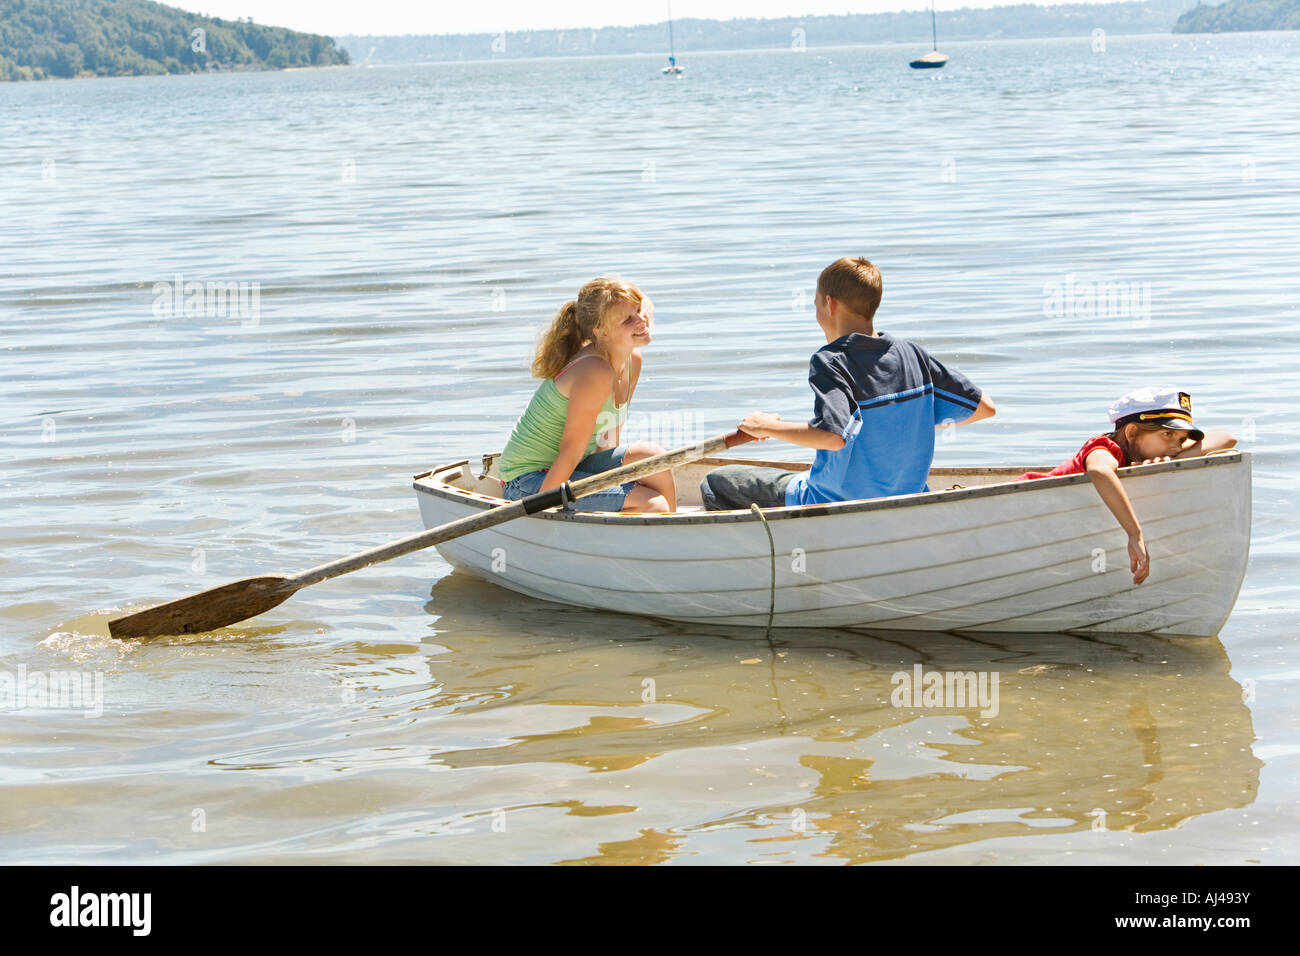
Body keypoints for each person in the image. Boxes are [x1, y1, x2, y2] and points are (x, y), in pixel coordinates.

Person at [700, 256, 995, 511]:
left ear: (830, 304)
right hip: (909, 497)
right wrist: (902, 424)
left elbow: (832, 436)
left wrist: (765, 426)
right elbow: (983, 408)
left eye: (816, 304)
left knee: (714, 483)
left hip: (832, 500)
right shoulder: (912, 354)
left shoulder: (831, 361)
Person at [1019, 386, 1237, 585]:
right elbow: (1100, 470)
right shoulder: (1104, 447)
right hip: (1024, 499)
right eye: (1168, 434)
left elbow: (1227, 438)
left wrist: (1172, 459)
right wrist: (1135, 534)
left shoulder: (1167, 450)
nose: (1175, 445)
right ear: (1132, 432)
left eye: (1180, 440)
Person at [498, 277, 675, 513]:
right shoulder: (595, 370)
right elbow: (571, 449)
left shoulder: (632, 361)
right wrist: (544, 509)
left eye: (639, 310)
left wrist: (614, 485)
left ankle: (676, 537)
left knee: (656, 460)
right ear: (601, 333)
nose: (642, 320)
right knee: (653, 504)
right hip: (529, 481)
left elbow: (607, 440)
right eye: (628, 319)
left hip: (574, 466)